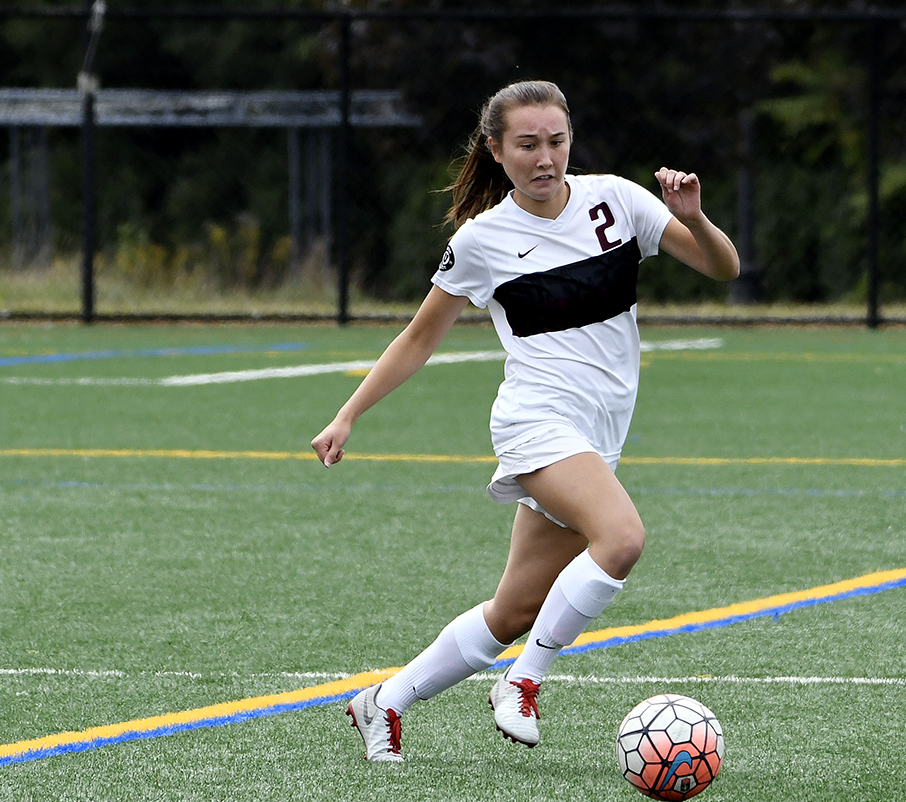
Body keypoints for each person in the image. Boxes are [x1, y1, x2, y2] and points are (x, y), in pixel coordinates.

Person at [312, 80, 739, 762]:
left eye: (557, 141)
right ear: (496, 149)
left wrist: (695, 217)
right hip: (535, 423)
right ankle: (523, 681)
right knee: (622, 538)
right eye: (527, 145)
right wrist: (348, 414)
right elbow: (418, 339)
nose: (545, 158)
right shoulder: (482, 240)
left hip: (597, 437)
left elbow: (723, 268)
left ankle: (383, 701)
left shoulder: (617, 201)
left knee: (513, 611)